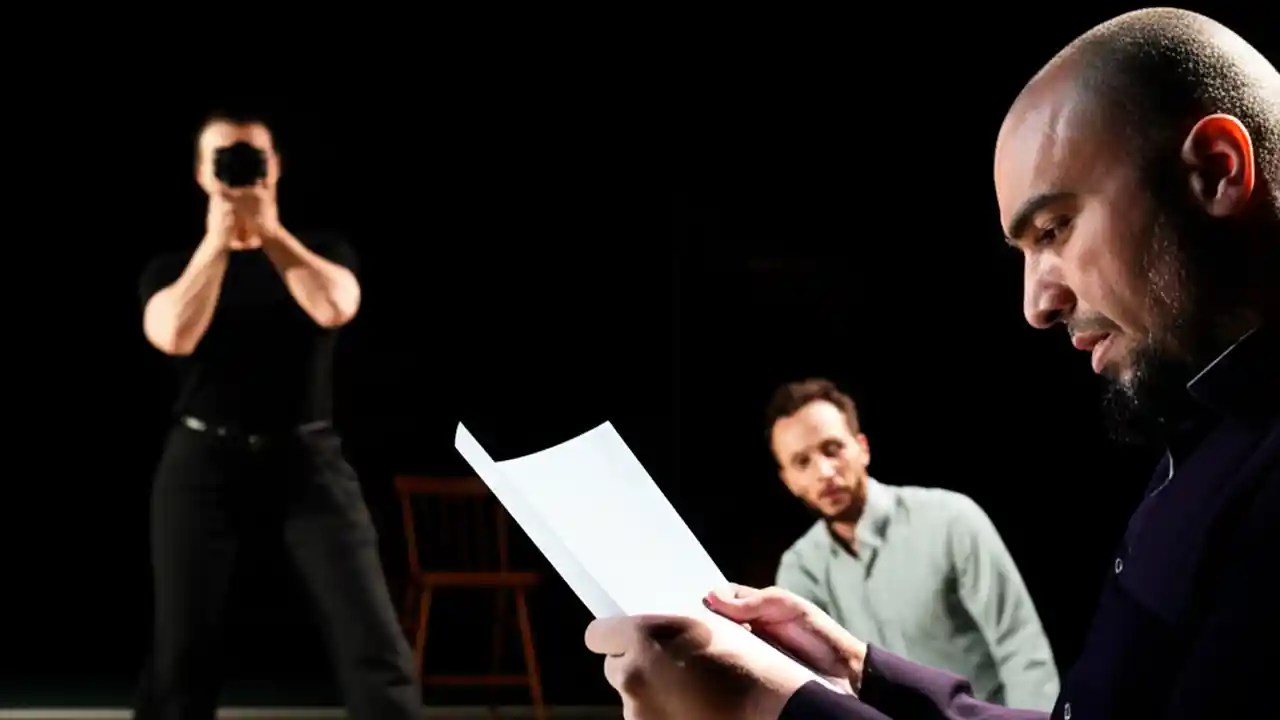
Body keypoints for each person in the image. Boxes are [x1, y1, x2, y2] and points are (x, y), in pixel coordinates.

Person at [584, 8, 1279, 719]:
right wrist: (861, 670)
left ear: (1216, 172)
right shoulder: (1203, 445)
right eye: (1025, 251)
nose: (1037, 304)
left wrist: (775, 709)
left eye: (1055, 228)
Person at [134, 110, 423, 719]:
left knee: (373, 642)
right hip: (202, 463)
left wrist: (269, 233)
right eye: (223, 160)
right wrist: (218, 241)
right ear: (200, 174)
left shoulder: (320, 252)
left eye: (251, 158)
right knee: (181, 652)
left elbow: (336, 306)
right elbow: (172, 335)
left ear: (276, 167)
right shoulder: (172, 268)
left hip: (307, 459)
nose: (238, 171)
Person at [765, 378, 1058, 709]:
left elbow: (1020, 647)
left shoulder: (951, 519)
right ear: (788, 480)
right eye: (802, 462)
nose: (824, 471)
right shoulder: (799, 568)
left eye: (833, 449)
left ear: (862, 447)